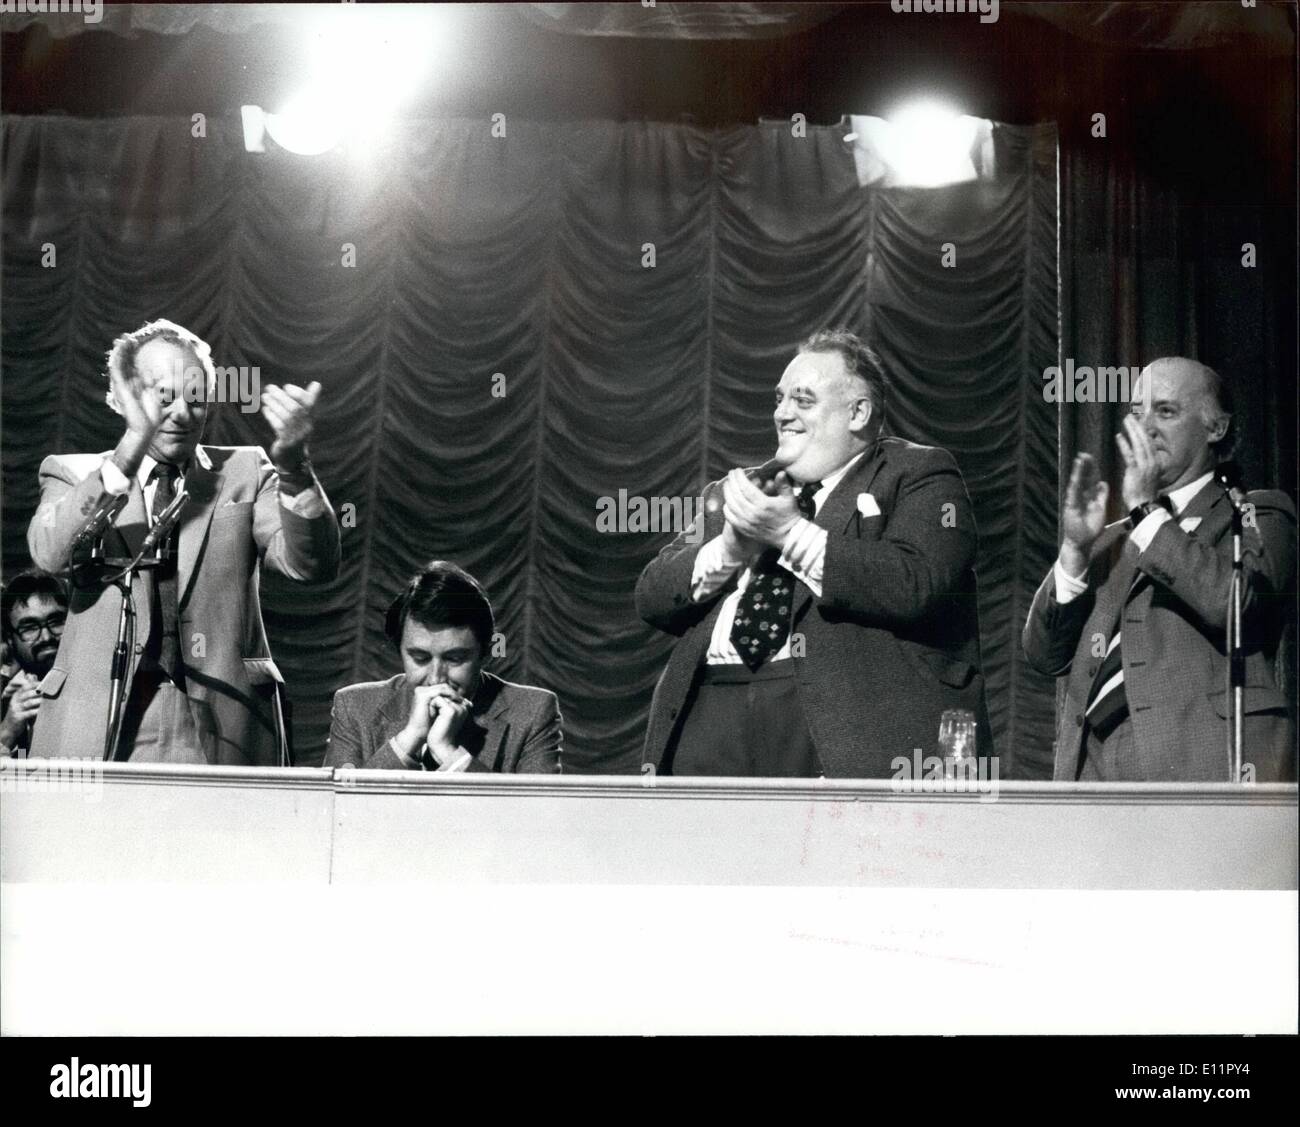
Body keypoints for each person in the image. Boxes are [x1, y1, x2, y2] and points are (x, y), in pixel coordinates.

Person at [637, 329, 990, 778]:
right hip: (708, 712)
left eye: (803, 401)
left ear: (858, 413)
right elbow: (651, 597)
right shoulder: (739, 492)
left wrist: (789, 534)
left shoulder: (918, 474)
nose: (782, 414)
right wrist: (729, 547)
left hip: (836, 721)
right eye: (779, 399)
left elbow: (917, 583)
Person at [26, 318, 340, 765]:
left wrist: (294, 468)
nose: (181, 413)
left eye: (195, 398)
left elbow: (311, 565)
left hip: (223, 723)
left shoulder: (246, 472)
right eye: (164, 397)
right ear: (122, 399)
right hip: (100, 722)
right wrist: (132, 445)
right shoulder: (72, 473)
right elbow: (50, 553)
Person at [1022, 357, 1296, 781]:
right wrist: (1075, 549)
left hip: (1202, 759)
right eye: (1137, 413)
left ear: (1215, 429)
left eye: (1165, 411)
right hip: (1094, 770)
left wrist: (1148, 513)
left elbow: (1237, 604)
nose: (1145, 427)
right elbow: (1045, 654)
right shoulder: (1114, 538)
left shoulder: (1256, 511)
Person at [325, 561, 562, 773]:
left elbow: (535, 817)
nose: (436, 678)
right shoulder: (354, 707)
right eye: (420, 658)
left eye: (455, 659)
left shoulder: (534, 712)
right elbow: (336, 809)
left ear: (485, 654)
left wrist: (448, 753)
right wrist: (409, 740)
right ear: (400, 650)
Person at [1, 570, 69, 756]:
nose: (46, 637)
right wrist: (8, 731)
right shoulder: (9, 700)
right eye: (29, 627)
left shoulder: (97, 690)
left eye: (56, 622)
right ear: (10, 639)